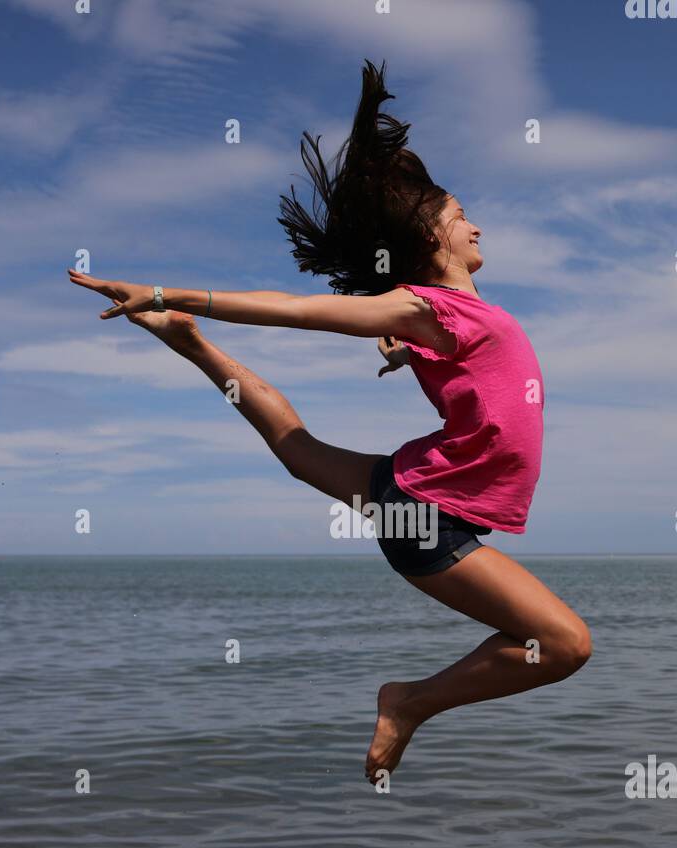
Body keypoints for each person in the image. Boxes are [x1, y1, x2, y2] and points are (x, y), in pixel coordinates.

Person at [69, 60, 591, 782]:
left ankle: (190, 344)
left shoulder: (448, 320)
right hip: (425, 514)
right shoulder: (422, 307)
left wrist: (412, 356)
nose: (477, 224)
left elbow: (479, 376)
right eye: (462, 214)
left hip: (415, 488)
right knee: (564, 644)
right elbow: (296, 308)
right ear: (433, 235)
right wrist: (163, 287)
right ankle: (408, 703)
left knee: (298, 450)